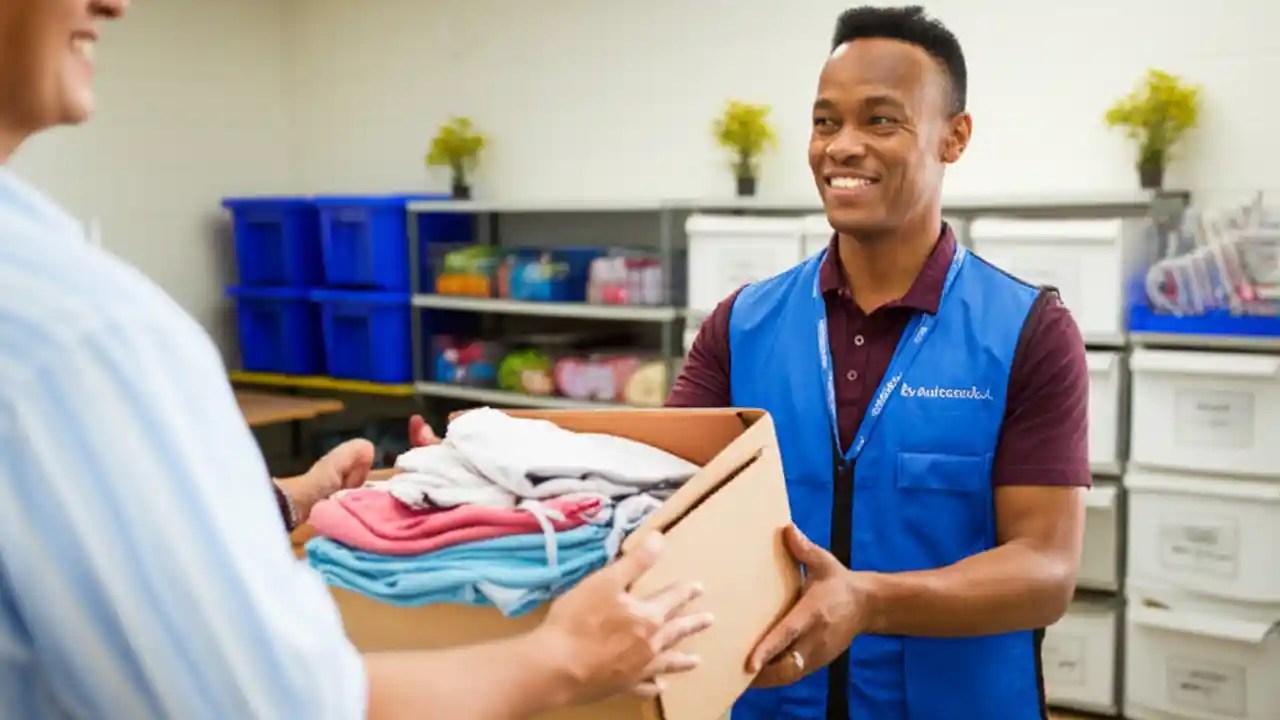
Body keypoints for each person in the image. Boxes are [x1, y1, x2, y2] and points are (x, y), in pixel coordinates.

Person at [0, 2, 712, 718]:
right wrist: (560, 662)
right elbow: (268, 704)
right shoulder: (75, 334)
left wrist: (289, 499)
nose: (112, 4)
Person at [667, 6, 1091, 719]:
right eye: (826, 122)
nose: (842, 147)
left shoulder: (1027, 331)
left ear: (954, 137)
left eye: (881, 121)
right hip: (768, 700)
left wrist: (869, 602)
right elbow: (665, 503)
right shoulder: (741, 325)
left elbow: (1046, 570)